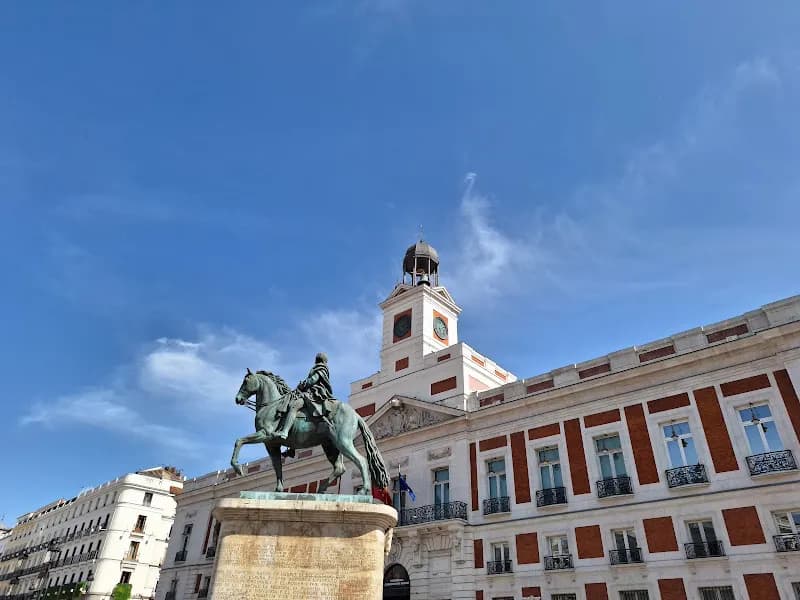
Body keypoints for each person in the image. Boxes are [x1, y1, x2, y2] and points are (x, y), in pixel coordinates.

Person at [274, 352, 334, 439]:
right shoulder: (320, 368)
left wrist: (303, 385)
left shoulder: (320, 368)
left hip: (314, 393)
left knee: (294, 406)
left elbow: (313, 380)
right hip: (311, 391)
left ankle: (285, 431)